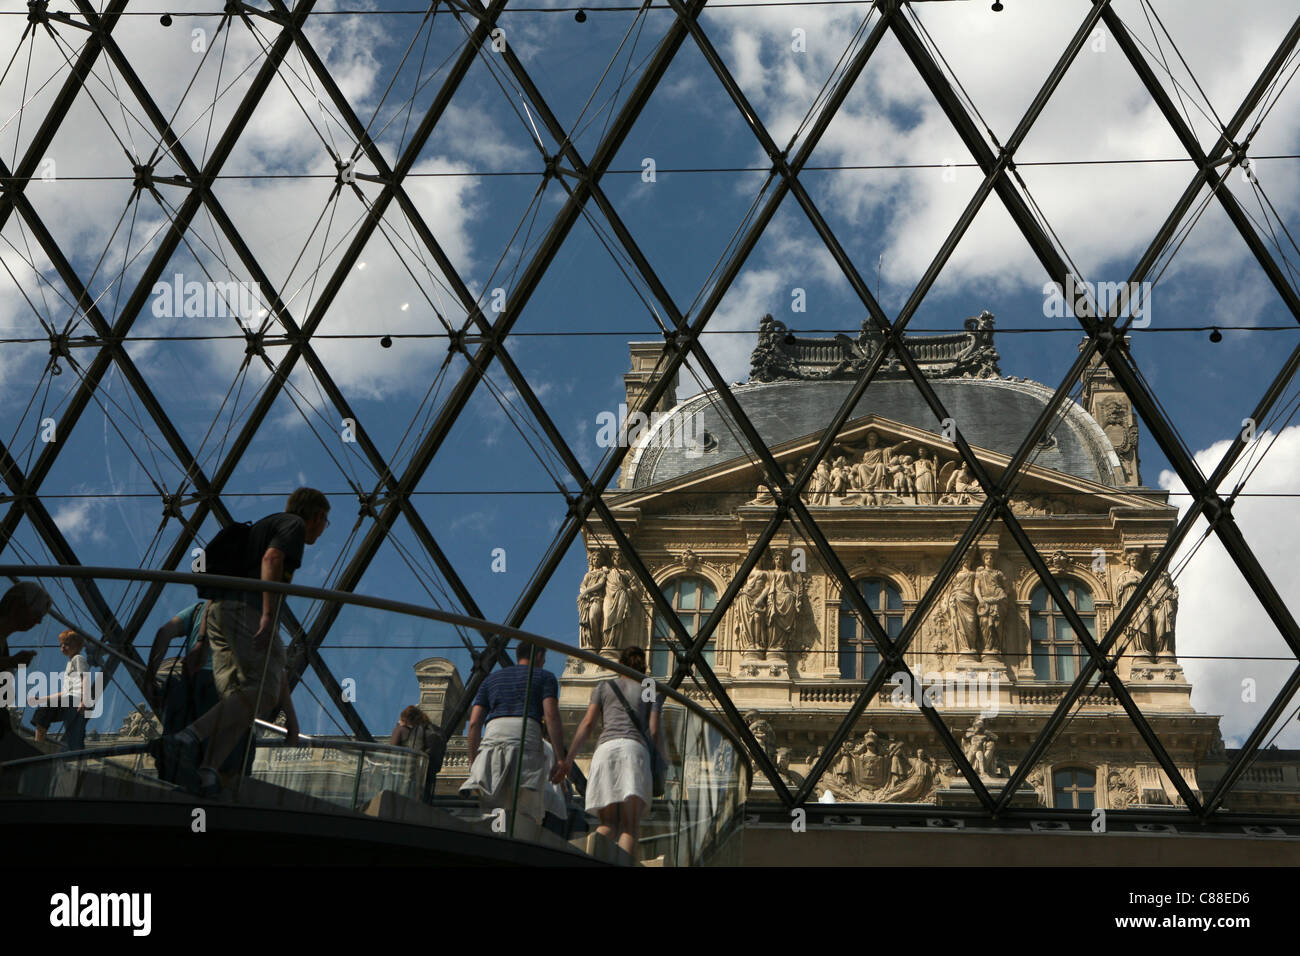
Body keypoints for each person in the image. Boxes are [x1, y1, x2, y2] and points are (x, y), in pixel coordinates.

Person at [151, 488, 329, 796]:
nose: (323, 528)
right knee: (259, 692)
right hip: (245, 611)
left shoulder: (266, 523)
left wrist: (201, 641)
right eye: (325, 521)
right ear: (315, 516)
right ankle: (186, 739)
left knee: (246, 697)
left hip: (223, 610)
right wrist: (268, 615)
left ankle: (207, 769)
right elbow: (272, 558)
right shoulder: (293, 525)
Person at [559, 646, 662, 861]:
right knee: (630, 826)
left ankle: (584, 859)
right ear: (643, 666)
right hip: (634, 751)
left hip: (605, 750)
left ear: (620, 665)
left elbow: (587, 724)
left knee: (608, 825)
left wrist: (568, 759)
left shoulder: (604, 686)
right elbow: (653, 731)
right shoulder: (649, 686)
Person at [461, 642, 569, 831]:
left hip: (492, 744)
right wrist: (560, 759)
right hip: (526, 742)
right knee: (525, 814)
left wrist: (474, 763)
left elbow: (475, 723)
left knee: (494, 814)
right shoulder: (545, 677)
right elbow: (551, 716)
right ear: (538, 656)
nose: (544, 663)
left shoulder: (490, 680)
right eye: (544, 658)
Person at [143, 601, 251, 782]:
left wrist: (149, 677)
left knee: (176, 768)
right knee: (223, 769)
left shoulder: (196, 610)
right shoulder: (250, 613)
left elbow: (164, 632)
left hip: (189, 686)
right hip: (224, 689)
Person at [0, 583, 52, 741]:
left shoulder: (4, 645)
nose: (38, 621)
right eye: (37, 612)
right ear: (17, 605)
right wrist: (12, 661)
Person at [29, 630, 90, 752]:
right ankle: (40, 744)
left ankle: (38, 744)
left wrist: (85, 700)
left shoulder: (78, 658)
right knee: (74, 733)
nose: (63, 647)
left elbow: (86, 678)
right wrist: (41, 699)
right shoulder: (70, 663)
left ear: (77, 645)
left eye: (67, 644)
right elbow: (64, 692)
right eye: (61, 644)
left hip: (76, 699)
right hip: (71, 699)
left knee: (44, 712)